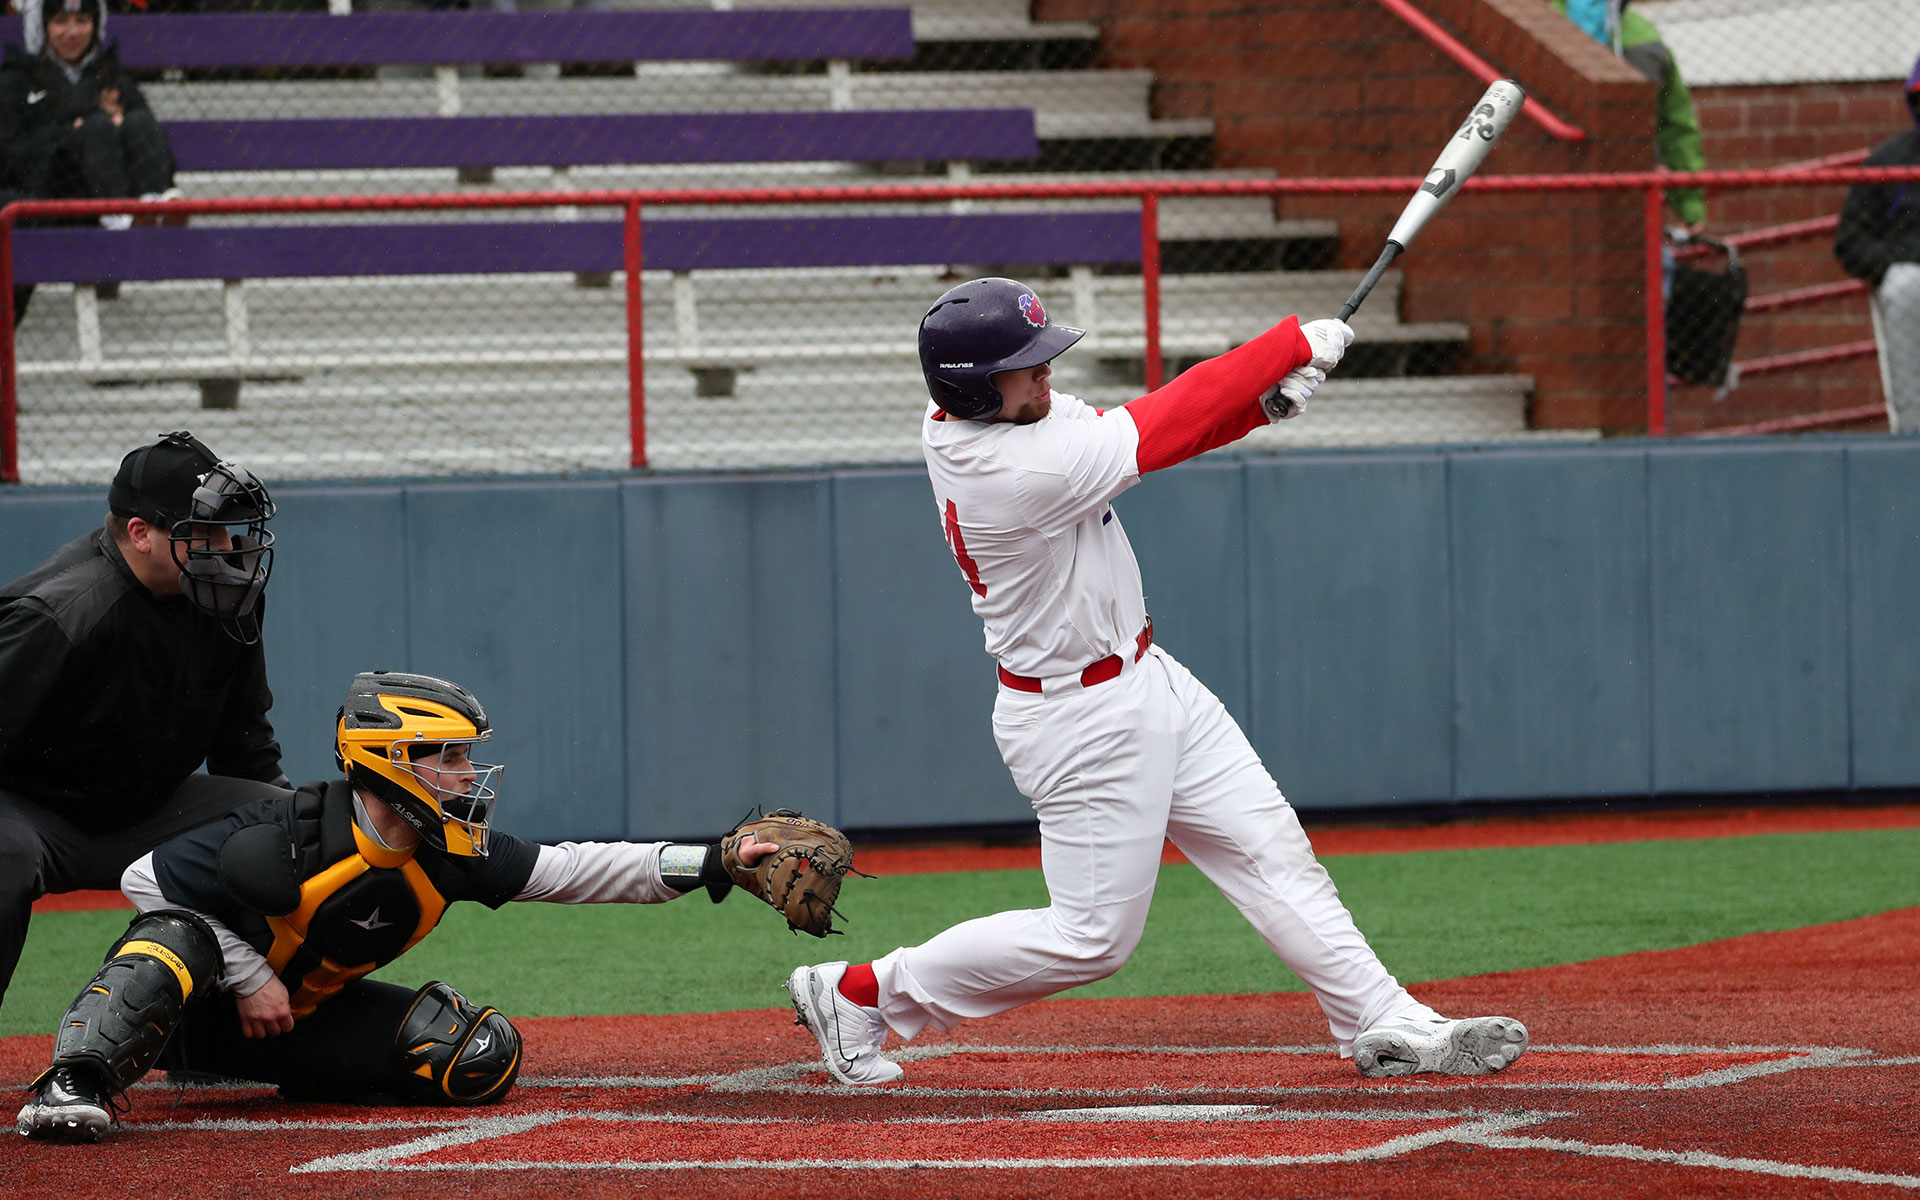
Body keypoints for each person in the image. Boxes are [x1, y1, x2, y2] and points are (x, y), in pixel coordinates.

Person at [782, 277, 1530, 1086]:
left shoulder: (1000, 419)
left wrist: (1258, 407)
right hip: (1079, 717)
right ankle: (860, 993)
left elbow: (1153, 429)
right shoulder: (1008, 467)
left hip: (1146, 675)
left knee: (1269, 850)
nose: (1045, 375)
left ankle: (1383, 1017)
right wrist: (1286, 347)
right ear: (971, 387)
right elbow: (1160, 423)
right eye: (1023, 367)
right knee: (1092, 938)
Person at [16, 669, 782, 1141]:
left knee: (476, 1057)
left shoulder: (450, 853)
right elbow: (145, 875)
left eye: (466, 756)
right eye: (448, 756)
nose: (466, 773)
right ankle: (74, 1081)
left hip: (293, 1024)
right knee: (175, 931)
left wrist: (715, 858)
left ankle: (279, 1073)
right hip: (198, 1004)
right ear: (390, 760)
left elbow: (574, 869)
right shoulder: (289, 828)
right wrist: (249, 976)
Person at [0, 431, 284, 1009]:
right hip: (30, 816)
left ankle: (226, 1037)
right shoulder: (61, 611)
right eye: (206, 532)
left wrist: (284, 826)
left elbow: (244, 737)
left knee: (293, 829)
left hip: (148, 809)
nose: (228, 546)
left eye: (232, 529)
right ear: (140, 534)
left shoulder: (226, 593)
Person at [0, 0, 181, 230]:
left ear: (96, 26)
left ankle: (156, 207)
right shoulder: (15, 82)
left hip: (122, 183)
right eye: (60, 21)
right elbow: (11, 159)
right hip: (53, 193)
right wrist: (72, 131)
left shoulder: (113, 80)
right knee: (98, 127)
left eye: (82, 21)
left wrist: (118, 123)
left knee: (139, 121)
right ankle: (117, 215)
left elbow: (159, 149)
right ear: (43, 26)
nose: (72, 32)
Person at [1554, 0, 1707, 237]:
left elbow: (1674, 123)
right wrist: (1688, 204)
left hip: (1562, 190)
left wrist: (1689, 203)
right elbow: (1675, 124)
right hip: (1633, 189)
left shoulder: (1548, 20)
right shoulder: (1642, 36)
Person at [1834, 53, 1920, 433]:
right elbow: (1850, 243)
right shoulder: (1891, 161)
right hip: (1915, 285)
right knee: (1904, 287)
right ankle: (1913, 437)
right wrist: (1901, 259)